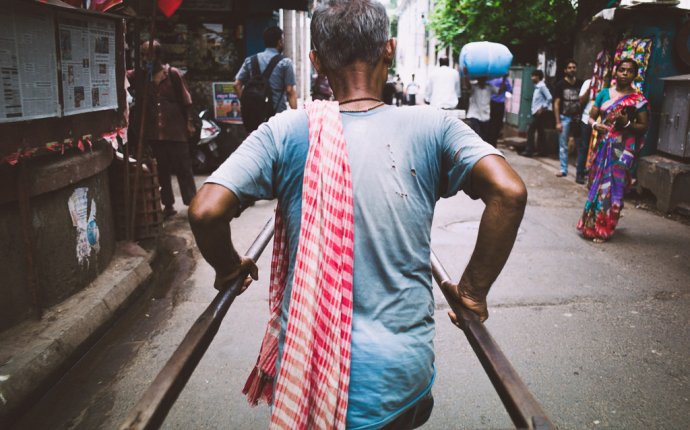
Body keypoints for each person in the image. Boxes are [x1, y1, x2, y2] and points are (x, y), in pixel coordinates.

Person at [188, 1, 527, 428]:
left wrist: (227, 268)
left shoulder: (285, 130)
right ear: (389, 49)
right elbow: (509, 192)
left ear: (314, 61)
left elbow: (205, 211)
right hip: (401, 379)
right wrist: (473, 292)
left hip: (307, 366)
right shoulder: (434, 126)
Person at [576, 58, 649, 243]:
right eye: (622, 70)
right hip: (603, 145)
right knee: (597, 184)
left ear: (635, 74)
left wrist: (627, 123)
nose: (625, 73)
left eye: (629, 71)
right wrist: (595, 126)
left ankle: (604, 229)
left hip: (623, 150)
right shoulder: (603, 94)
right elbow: (591, 117)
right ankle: (589, 225)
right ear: (616, 72)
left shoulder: (638, 100)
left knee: (615, 187)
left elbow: (643, 127)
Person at [129, 40, 197, 219]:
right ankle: (168, 205)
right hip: (155, 133)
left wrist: (189, 123)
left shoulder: (172, 74)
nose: (144, 59)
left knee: (183, 168)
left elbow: (187, 100)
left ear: (158, 56)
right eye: (142, 55)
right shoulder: (142, 75)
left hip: (175, 131)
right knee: (162, 170)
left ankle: (192, 203)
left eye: (147, 55)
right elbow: (124, 76)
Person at [234, 26, 297, 133]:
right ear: (279, 42)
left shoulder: (250, 60)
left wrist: (245, 102)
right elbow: (290, 91)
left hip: (255, 116)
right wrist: (295, 117)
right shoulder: (285, 63)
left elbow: (236, 84)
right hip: (277, 118)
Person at [554, 60, 586, 178]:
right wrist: (557, 121)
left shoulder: (581, 83)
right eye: (569, 67)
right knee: (563, 144)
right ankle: (563, 169)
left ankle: (580, 168)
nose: (572, 69)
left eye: (574, 67)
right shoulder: (560, 84)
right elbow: (556, 103)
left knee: (580, 143)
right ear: (565, 70)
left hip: (578, 118)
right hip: (564, 117)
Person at [463, 71, 504, 143]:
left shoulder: (490, 87)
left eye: (483, 79)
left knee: (484, 137)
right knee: (477, 135)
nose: (482, 81)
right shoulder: (473, 87)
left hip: (485, 116)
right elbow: (467, 85)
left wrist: (504, 79)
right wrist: (466, 74)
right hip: (474, 115)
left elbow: (499, 91)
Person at [520, 70, 552, 157]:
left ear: (538, 77)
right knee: (541, 132)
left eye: (533, 76)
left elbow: (549, 97)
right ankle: (543, 151)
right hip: (536, 112)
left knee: (531, 131)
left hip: (539, 113)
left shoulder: (542, 86)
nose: (532, 78)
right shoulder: (537, 87)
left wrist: (542, 108)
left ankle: (529, 150)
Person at [576, 78, 594, 184]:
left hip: (603, 122)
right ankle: (580, 173)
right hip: (587, 119)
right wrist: (590, 88)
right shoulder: (589, 82)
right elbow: (581, 100)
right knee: (584, 146)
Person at [487, 75, 513, 147]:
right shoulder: (504, 79)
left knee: (490, 125)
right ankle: (493, 144)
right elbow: (510, 90)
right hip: (499, 105)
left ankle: (489, 143)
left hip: (489, 104)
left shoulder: (489, 78)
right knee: (497, 125)